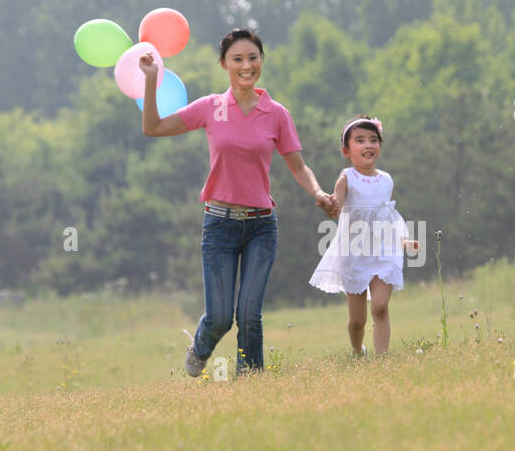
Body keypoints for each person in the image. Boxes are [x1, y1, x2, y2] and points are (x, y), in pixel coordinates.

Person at [139, 28, 337, 375]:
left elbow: (298, 166)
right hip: (219, 224)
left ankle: (251, 379)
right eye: (238, 59)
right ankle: (201, 347)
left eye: (253, 58)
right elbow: (153, 127)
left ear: (261, 61)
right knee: (219, 317)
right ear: (224, 64)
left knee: (249, 313)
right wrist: (151, 81)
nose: (247, 65)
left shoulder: (277, 114)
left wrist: (319, 193)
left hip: (262, 225)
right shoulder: (210, 108)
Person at [309, 116, 417, 356]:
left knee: (380, 307)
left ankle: (382, 360)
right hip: (354, 252)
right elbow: (336, 203)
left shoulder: (386, 180)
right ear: (346, 150)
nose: (368, 145)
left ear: (380, 145)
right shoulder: (347, 177)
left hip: (384, 250)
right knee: (358, 320)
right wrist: (330, 204)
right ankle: (358, 350)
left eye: (373, 140)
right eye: (360, 140)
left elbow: (390, 217)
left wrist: (404, 240)